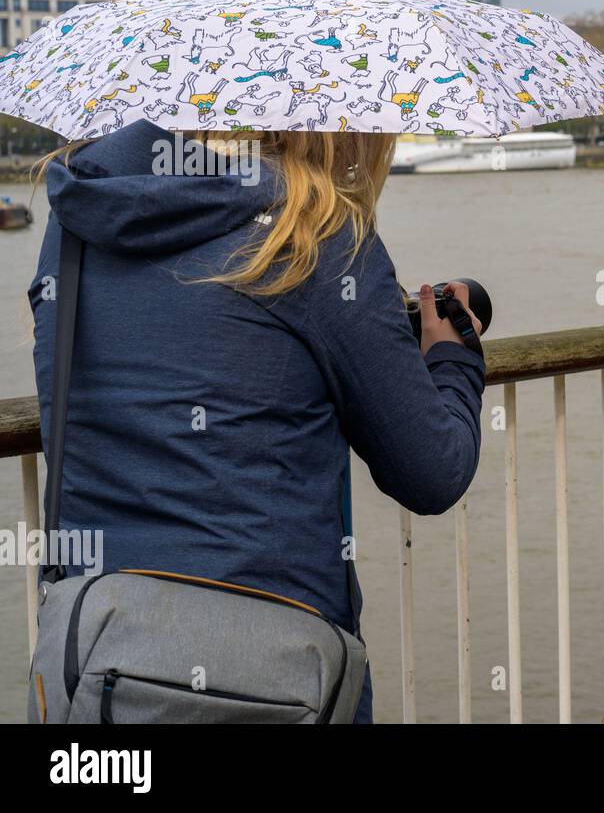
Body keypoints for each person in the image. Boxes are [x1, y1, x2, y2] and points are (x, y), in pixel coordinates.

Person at [28, 118, 485, 723]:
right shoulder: (317, 234)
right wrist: (452, 358)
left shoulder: (78, 214)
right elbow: (432, 472)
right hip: (275, 665)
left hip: (94, 651)